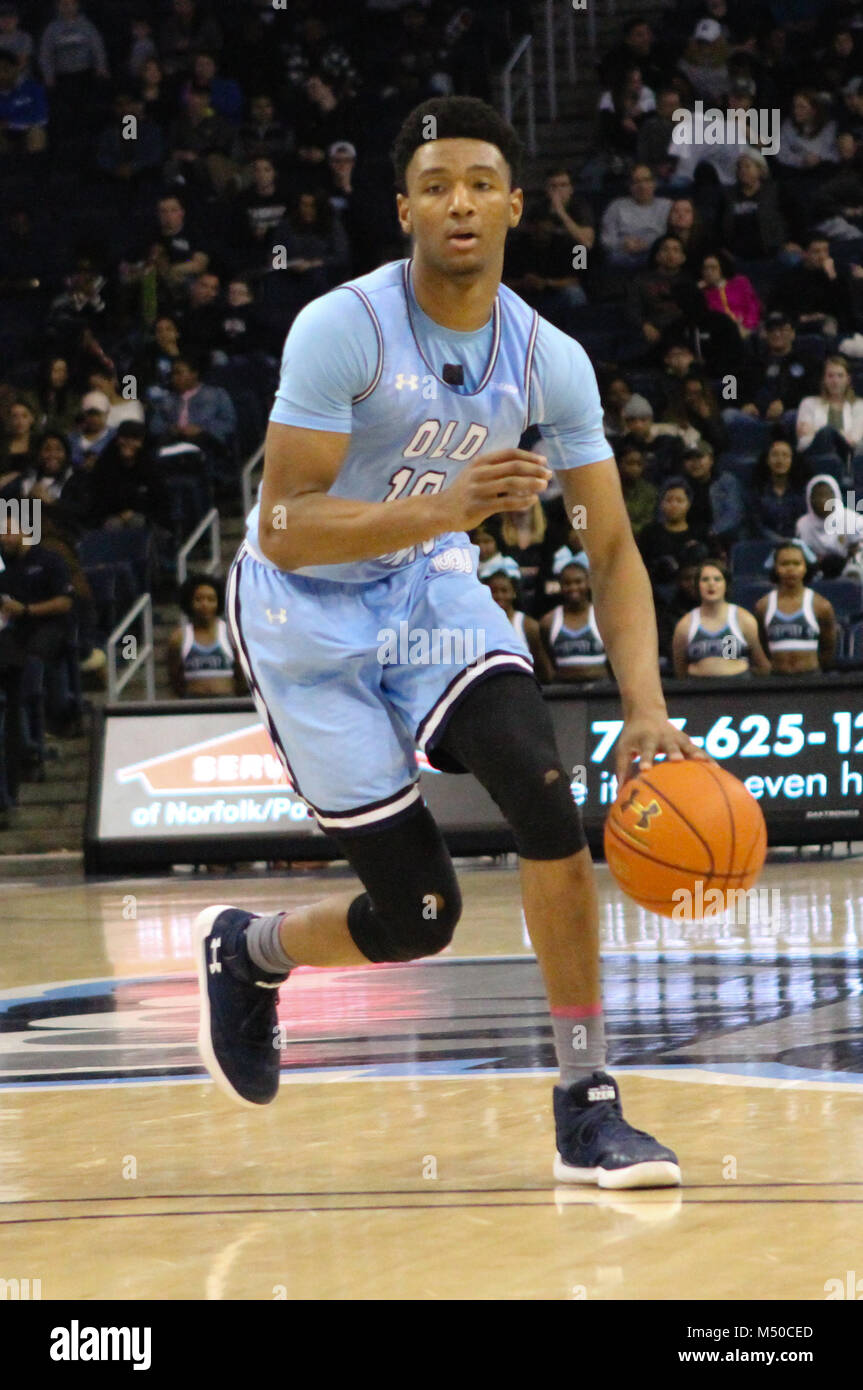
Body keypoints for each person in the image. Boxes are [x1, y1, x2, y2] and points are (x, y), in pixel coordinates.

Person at [196, 95, 700, 1188]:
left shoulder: (546, 358)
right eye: (434, 185)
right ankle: (251, 950)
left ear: (516, 203)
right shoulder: (344, 326)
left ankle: (586, 1097)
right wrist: (447, 507)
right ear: (404, 210)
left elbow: (609, 549)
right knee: (419, 916)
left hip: (426, 592)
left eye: (478, 182)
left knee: (540, 785)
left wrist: (646, 707)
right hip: (302, 614)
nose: (458, 202)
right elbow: (281, 523)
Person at [672, 560, 770, 678]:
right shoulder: (685, 625)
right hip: (698, 691)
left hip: (739, 689)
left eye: (717, 579)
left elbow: (762, 665)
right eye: (705, 579)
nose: (711, 584)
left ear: (726, 584)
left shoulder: (744, 620)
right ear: (697, 585)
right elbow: (680, 671)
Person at [755, 541, 836, 674]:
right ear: (775, 567)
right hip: (776, 681)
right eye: (784, 564)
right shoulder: (763, 606)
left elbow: (828, 648)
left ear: (805, 567)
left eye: (796, 563)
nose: (790, 569)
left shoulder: (821, 606)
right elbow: (761, 646)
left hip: (812, 679)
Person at [167, 573, 240, 698]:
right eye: (198, 599)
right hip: (193, 706)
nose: (205, 604)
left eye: (211, 599)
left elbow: (242, 676)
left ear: (219, 602)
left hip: (227, 705)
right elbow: (175, 679)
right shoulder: (179, 638)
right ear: (189, 602)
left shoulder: (231, 634)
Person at [540, 561, 609, 683]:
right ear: (560, 586)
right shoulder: (548, 622)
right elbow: (547, 661)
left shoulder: (603, 617)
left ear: (588, 583)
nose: (573, 587)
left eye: (578, 582)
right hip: (563, 694)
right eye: (567, 583)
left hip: (600, 692)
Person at [482, 563, 553, 683]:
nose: (499, 596)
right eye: (494, 591)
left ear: (514, 593)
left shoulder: (527, 625)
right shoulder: (477, 625)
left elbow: (543, 668)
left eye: (504, 591)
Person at [599, 165, 672, 272]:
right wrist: (622, 244)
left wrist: (650, 245)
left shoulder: (667, 206)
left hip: (656, 253)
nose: (642, 186)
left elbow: (672, 235)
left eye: (646, 180)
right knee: (614, 258)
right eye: (636, 181)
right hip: (624, 254)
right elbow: (606, 239)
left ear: (654, 183)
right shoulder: (616, 206)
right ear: (630, 186)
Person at [796, 355, 863, 465]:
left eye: (840, 376)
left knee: (827, 432)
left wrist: (817, 431)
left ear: (848, 379)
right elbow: (803, 440)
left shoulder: (859, 406)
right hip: (814, 457)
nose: (835, 381)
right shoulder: (808, 403)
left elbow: (854, 440)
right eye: (830, 376)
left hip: (846, 458)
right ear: (824, 379)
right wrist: (840, 434)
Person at [795, 473, 863, 578]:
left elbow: (858, 549)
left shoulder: (852, 519)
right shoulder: (802, 524)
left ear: (835, 496)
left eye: (826, 495)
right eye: (816, 496)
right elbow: (805, 555)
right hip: (816, 571)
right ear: (809, 498)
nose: (822, 500)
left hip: (850, 568)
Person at [751, 438, 807, 541]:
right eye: (775, 455)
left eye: (785, 455)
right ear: (767, 460)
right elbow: (757, 526)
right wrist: (779, 541)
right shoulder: (758, 492)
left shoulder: (801, 492)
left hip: (797, 545)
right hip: (766, 545)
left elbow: (805, 524)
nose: (780, 460)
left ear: (792, 460)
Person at [699, 251, 761, 336]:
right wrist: (696, 290)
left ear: (722, 268)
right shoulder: (703, 293)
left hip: (748, 328)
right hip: (723, 333)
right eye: (705, 268)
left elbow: (753, 307)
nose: (708, 272)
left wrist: (747, 326)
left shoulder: (740, 282)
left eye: (713, 268)